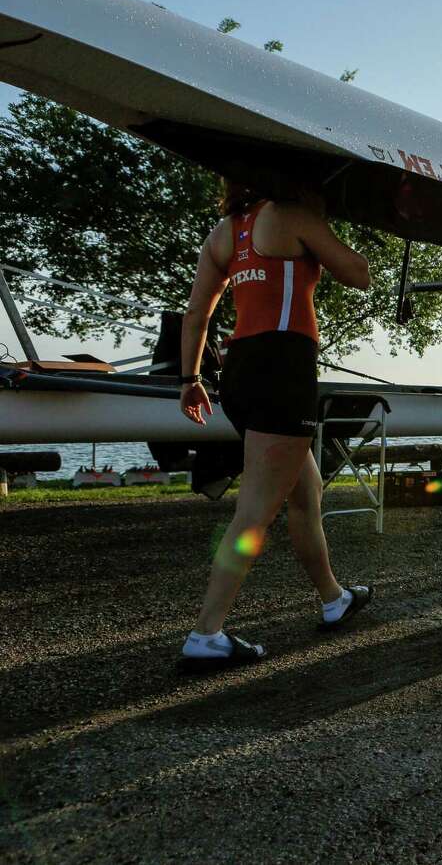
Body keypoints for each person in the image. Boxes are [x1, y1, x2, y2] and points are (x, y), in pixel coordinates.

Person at [175, 181, 374, 672]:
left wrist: (189, 379)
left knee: (304, 494)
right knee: (254, 514)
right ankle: (206, 633)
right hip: (283, 367)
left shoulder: (226, 232)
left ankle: (333, 598)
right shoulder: (291, 214)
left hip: (239, 369)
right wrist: (326, 225)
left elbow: (197, 311)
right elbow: (360, 274)